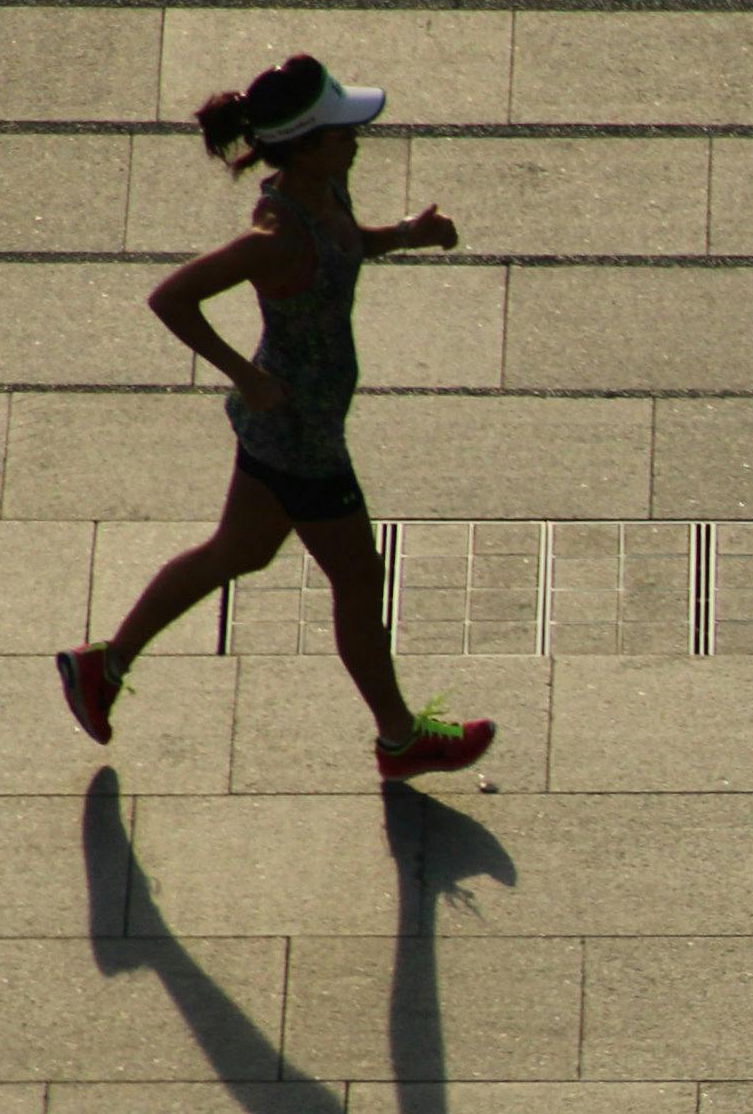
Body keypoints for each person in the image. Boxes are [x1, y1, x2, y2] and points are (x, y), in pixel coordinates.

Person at [59, 54, 492, 781]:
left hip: (292, 427)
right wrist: (247, 376)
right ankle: (399, 737)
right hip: (301, 439)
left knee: (237, 551)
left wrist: (407, 234)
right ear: (307, 144)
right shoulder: (276, 236)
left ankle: (104, 663)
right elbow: (171, 299)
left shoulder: (327, 190)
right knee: (357, 576)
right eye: (343, 132)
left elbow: (349, 245)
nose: (358, 140)